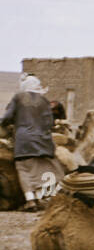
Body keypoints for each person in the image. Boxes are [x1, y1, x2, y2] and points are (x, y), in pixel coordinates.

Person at [1, 75, 63, 211]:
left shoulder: (18, 97)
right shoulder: (45, 101)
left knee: (23, 169)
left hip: (25, 141)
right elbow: (50, 122)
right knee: (46, 168)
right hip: (44, 141)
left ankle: (30, 201)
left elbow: (7, 117)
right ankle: (46, 197)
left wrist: (6, 123)